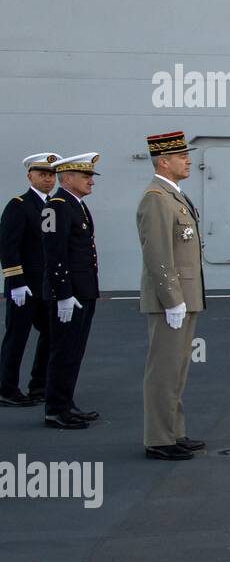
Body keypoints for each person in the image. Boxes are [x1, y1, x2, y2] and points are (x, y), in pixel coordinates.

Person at [137, 132, 208, 461]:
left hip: (185, 297)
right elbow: (158, 255)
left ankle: (174, 432)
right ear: (163, 161)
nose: (188, 160)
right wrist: (172, 300)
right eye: (182, 156)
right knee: (163, 371)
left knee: (177, 370)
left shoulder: (173, 195)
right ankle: (158, 440)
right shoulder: (156, 198)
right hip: (172, 300)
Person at [41, 153, 102, 430]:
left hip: (84, 291)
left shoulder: (77, 205)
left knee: (74, 350)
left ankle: (67, 403)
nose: (91, 181)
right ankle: (55, 409)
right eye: (85, 176)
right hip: (69, 293)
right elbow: (53, 253)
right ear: (67, 178)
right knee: (63, 350)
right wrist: (62, 294)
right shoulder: (56, 207)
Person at [1, 153, 60, 407]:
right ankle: (6, 388)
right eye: (42, 175)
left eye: (51, 175)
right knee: (17, 336)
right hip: (24, 285)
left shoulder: (54, 206)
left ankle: (39, 385)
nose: (48, 180)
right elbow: (8, 246)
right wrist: (15, 281)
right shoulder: (19, 205)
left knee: (50, 333)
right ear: (30, 176)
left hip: (46, 285)